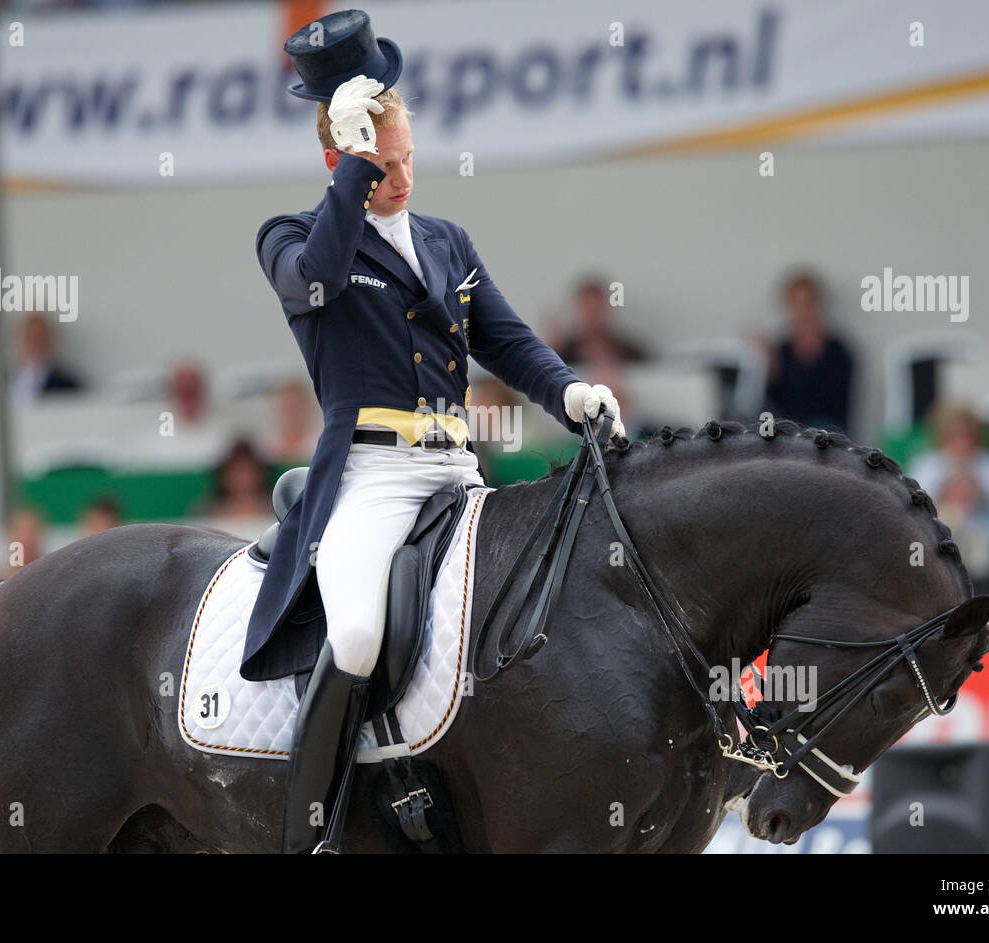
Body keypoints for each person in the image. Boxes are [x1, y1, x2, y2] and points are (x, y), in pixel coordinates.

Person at [241, 9, 625, 854]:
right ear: (340, 158)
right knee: (356, 633)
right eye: (386, 166)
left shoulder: (447, 242)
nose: (404, 177)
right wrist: (353, 178)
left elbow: (508, 339)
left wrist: (569, 393)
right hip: (372, 476)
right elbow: (317, 285)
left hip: (456, 467)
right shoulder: (293, 237)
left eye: (410, 158)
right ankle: (313, 829)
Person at [756, 270, 854, 434]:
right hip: (788, 432)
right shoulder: (780, 350)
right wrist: (770, 368)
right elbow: (771, 404)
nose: (802, 311)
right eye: (796, 304)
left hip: (825, 432)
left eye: (807, 303)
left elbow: (838, 403)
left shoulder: (838, 350)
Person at [909, 403, 989, 506]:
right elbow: (918, 502)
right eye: (954, 434)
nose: (962, 441)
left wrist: (977, 490)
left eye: (967, 435)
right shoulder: (925, 465)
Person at [550, 275, 648, 368]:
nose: (593, 316)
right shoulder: (563, 354)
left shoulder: (629, 352)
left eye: (597, 309)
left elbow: (653, 374)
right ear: (577, 309)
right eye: (587, 309)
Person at [8, 312, 83, 404]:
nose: (34, 341)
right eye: (29, 336)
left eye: (39, 336)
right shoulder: (4, 378)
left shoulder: (66, 384)